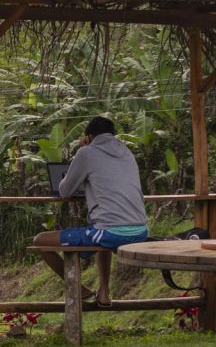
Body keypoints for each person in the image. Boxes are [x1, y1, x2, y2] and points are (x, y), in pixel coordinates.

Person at [31, 115, 149, 283]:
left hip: (111, 232)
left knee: (40, 240)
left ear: (89, 136)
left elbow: (64, 190)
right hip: (141, 230)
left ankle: (79, 290)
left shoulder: (86, 152)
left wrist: (83, 150)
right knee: (100, 231)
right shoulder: (127, 152)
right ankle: (103, 294)